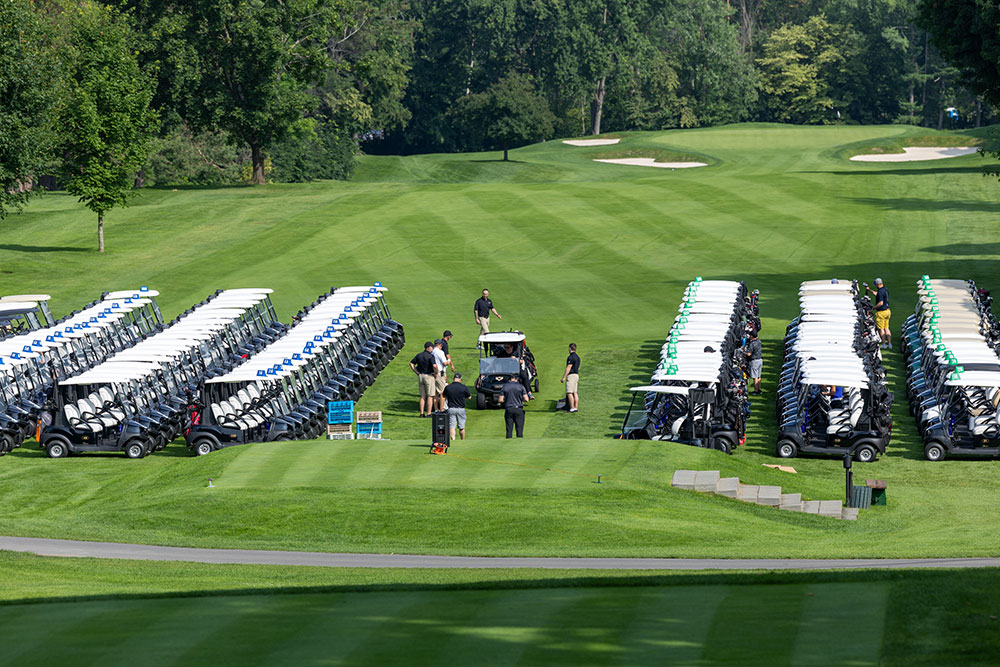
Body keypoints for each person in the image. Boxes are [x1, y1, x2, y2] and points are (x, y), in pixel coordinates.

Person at [409, 341, 439, 417]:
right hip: (429, 376)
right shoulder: (431, 356)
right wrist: (436, 373)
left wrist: (416, 372)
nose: (432, 349)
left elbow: (411, 363)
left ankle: (421, 413)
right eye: (432, 347)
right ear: (428, 348)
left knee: (422, 396)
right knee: (430, 396)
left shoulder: (419, 355)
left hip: (421, 376)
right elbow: (435, 366)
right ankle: (429, 413)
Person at [443, 372, 471, 441]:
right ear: (460, 379)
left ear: (453, 379)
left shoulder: (448, 387)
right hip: (461, 409)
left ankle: (453, 439)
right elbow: (469, 397)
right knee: (461, 427)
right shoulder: (463, 387)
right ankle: (462, 440)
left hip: (451, 408)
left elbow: (444, 396)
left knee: (452, 426)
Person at [866, 278, 891, 349]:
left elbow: (880, 303)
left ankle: (883, 344)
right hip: (887, 311)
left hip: (881, 312)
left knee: (881, 329)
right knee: (887, 328)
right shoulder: (885, 290)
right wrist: (869, 290)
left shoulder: (880, 292)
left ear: (877, 284)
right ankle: (889, 344)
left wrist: (873, 308)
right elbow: (877, 294)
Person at [561, 343, 581, 413]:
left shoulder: (570, 357)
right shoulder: (578, 357)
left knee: (569, 392)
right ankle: (576, 407)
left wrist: (564, 377)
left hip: (571, 376)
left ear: (570, 348)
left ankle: (572, 408)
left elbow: (568, 368)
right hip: (576, 375)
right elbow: (578, 368)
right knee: (575, 392)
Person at [432, 339, 449, 411]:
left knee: (435, 392)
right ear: (440, 345)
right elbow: (444, 363)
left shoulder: (432, 351)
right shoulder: (440, 352)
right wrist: (449, 361)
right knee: (442, 392)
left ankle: (436, 409)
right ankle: (441, 409)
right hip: (440, 373)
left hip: (433, 373)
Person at [746, 330, 762, 394]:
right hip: (760, 359)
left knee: (755, 377)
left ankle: (755, 391)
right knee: (758, 376)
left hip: (754, 361)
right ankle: (759, 389)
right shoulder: (759, 341)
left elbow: (749, 354)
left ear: (752, 336)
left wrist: (744, 352)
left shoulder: (752, 343)